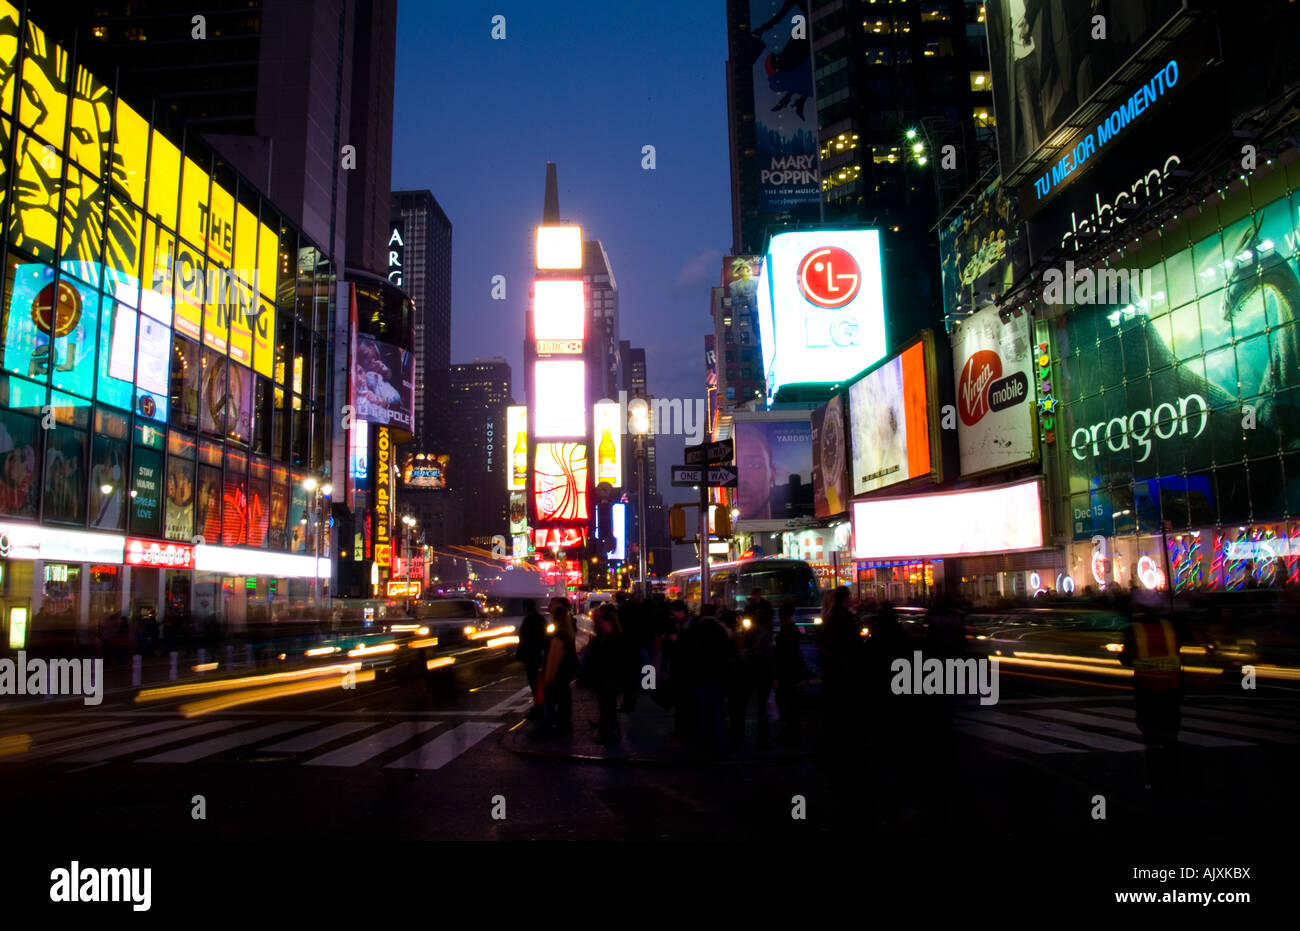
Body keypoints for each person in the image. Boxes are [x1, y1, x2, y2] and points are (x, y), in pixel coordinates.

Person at [1119, 604, 1183, 801]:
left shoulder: (1134, 630)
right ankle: (1175, 776)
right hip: (1172, 687)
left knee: (1151, 736)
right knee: (1171, 734)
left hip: (1147, 689)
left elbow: (1126, 659)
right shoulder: (1170, 627)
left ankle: (1156, 780)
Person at [533, 604, 578, 738]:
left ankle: (547, 731)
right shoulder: (569, 636)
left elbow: (553, 660)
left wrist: (547, 678)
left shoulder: (557, 638)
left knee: (551, 704)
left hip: (556, 678)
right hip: (564, 677)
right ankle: (564, 726)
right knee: (564, 703)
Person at [582, 605, 626, 743]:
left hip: (608, 677)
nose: (600, 626)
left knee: (607, 705)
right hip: (604, 677)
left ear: (610, 622)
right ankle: (609, 729)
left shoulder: (614, 639)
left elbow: (612, 660)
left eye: (602, 623)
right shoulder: (605, 637)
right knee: (606, 704)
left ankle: (609, 732)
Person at [773, 600, 808, 745]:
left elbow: (780, 657)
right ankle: (794, 732)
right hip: (795, 672)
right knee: (793, 704)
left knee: (787, 704)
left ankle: (790, 732)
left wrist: (776, 676)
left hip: (786, 674)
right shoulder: (796, 631)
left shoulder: (783, 635)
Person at [664, 600, 698, 744]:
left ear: (680, 611)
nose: (673, 617)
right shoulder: (684, 624)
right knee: (681, 702)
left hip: (685, 670)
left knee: (684, 703)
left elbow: (691, 645)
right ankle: (682, 729)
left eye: (674, 614)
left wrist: (678, 639)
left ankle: (685, 730)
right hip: (680, 669)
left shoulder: (689, 625)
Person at [515, 599, 547, 721]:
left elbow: (526, 638)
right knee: (537, 682)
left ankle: (539, 708)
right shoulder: (539, 619)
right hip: (537, 655)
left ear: (526, 608)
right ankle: (540, 706)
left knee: (535, 682)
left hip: (531, 655)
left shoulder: (529, 620)